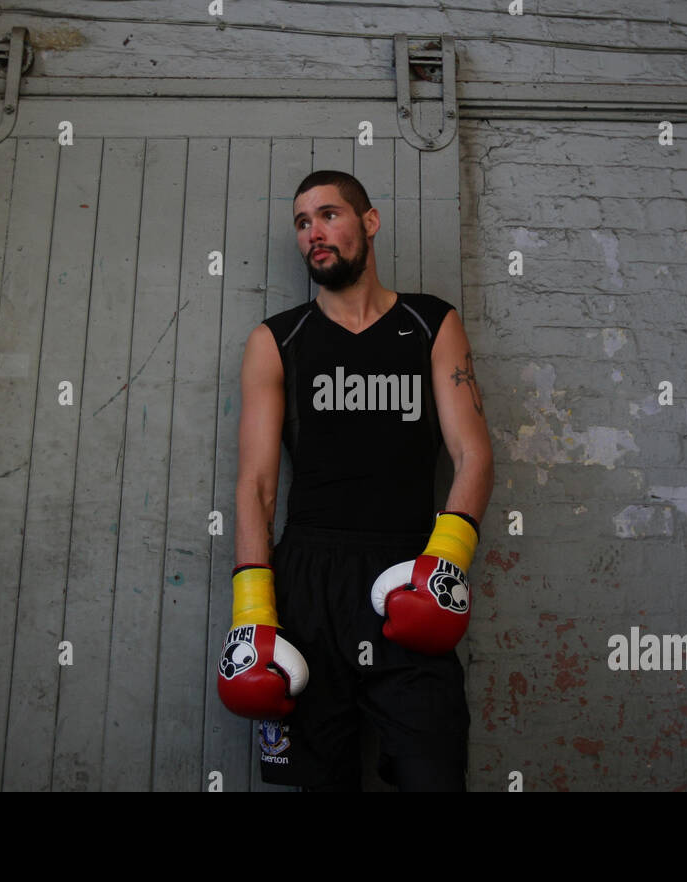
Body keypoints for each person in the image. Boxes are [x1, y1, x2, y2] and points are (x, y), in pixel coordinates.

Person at [216, 170, 494, 791]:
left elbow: (473, 455)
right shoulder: (276, 340)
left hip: (409, 572)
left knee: (435, 775)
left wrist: (445, 562)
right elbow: (257, 485)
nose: (314, 233)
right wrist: (253, 614)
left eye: (329, 215)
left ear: (369, 222)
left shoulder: (431, 323)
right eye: (302, 223)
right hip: (306, 583)